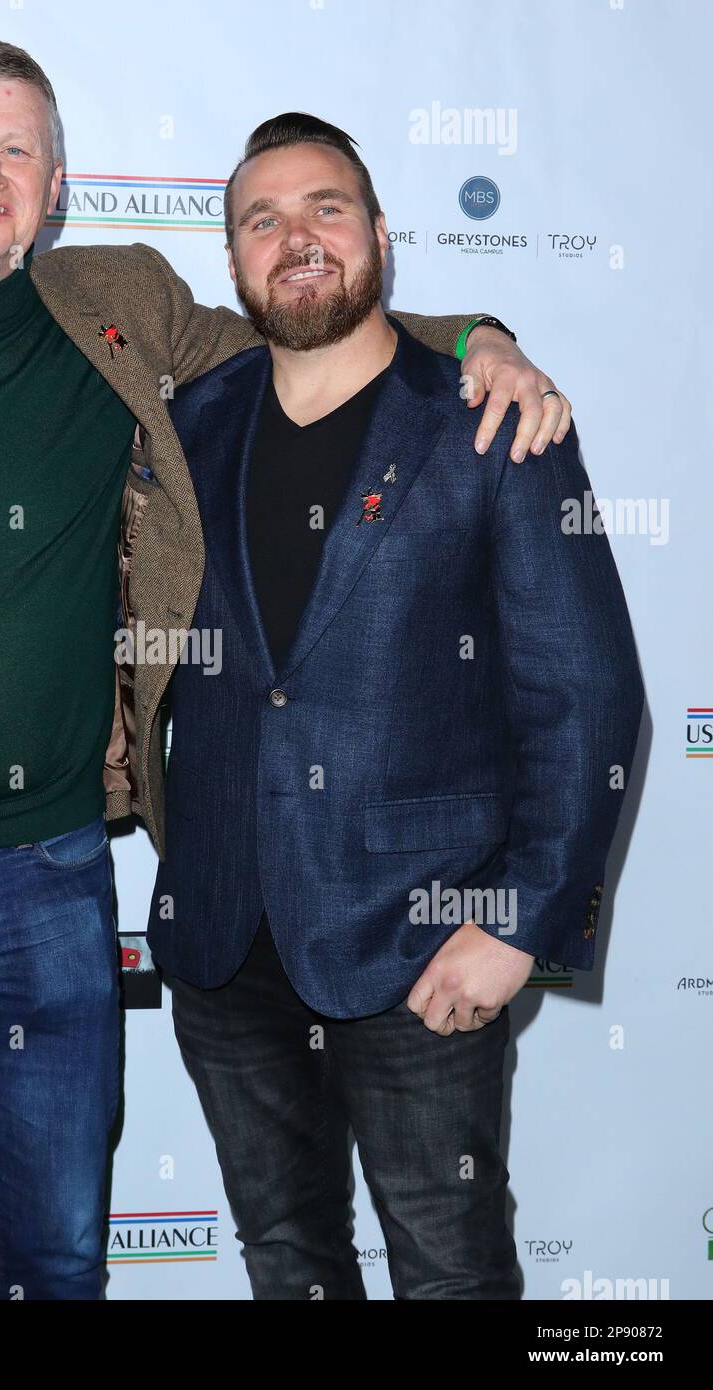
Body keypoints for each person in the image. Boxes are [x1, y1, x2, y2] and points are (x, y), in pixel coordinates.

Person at [0, 39, 570, 1301]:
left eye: (16, 149)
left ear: (58, 183)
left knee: (59, 1250)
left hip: (48, 873)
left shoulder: (127, 305)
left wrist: (481, 334)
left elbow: (316, 338)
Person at [132, 112, 644, 1299]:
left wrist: (517, 922)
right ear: (233, 262)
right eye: (262, 219)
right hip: (222, 941)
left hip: (424, 942)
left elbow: (590, 693)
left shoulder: (490, 419)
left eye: (326, 209)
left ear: (378, 237)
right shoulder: (188, 430)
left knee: (449, 1271)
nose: (295, 237)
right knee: (288, 1261)